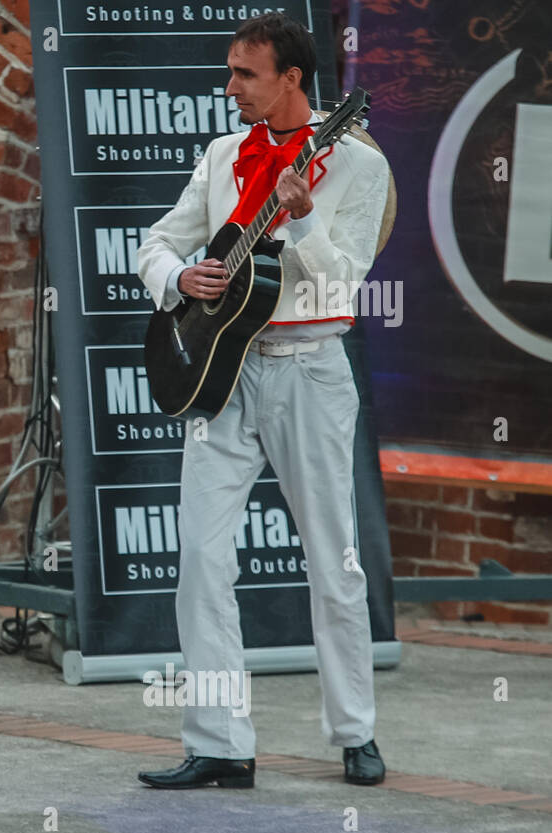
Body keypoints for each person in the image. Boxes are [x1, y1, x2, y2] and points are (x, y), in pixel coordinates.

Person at [134, 14, 390, 789]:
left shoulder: (357, 163)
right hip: (224, 372)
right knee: (203, 561)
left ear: (293, 80)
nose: (230, 86)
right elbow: (154, 242)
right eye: (230, 71)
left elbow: (343, 280)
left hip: (309, 370)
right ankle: (220, 743)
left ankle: (355, 731)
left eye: (246, 74)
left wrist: (304, 219)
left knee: (331, 559)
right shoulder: (220, 156)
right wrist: (182, 281)